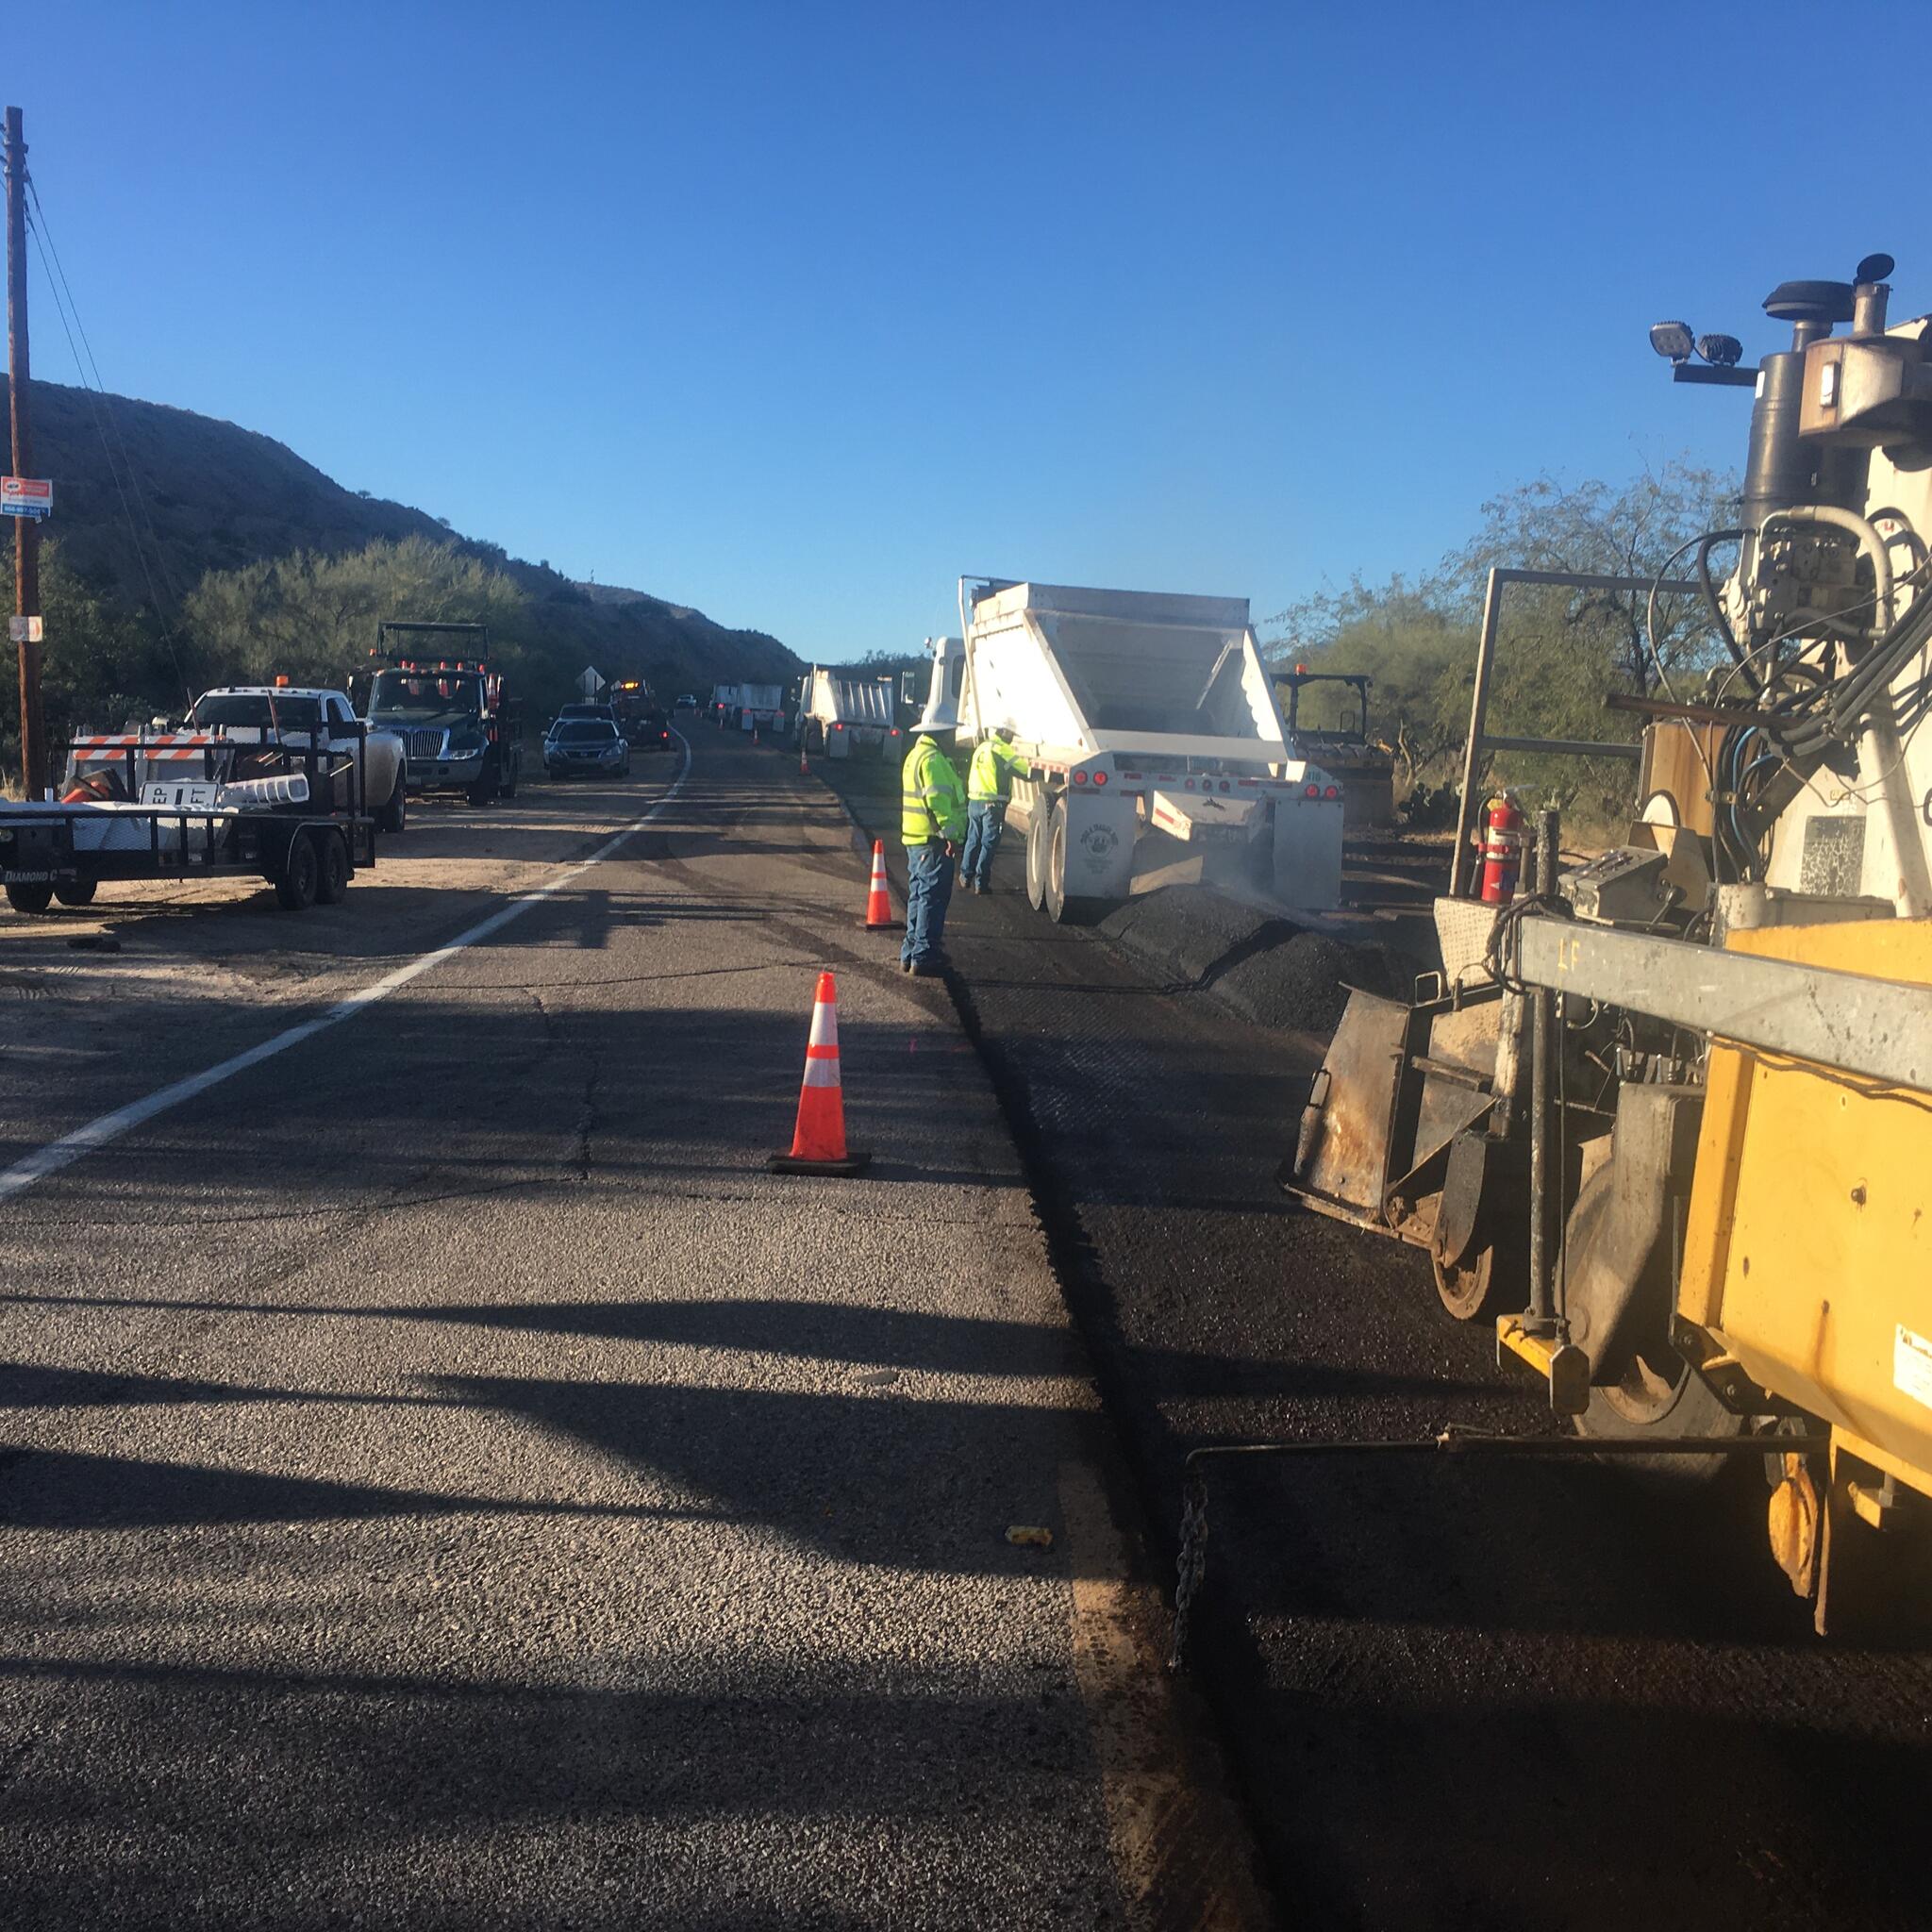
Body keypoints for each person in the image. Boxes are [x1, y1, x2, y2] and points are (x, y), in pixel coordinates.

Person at [899, 708, 967, 975]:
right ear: (941, 733)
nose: (954, 737)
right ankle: (925, 955)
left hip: (917, 839)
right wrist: (950, 836)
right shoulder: (934, 760)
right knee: (932, 897)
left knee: (919, 895)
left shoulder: (916, 755)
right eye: (951, 732)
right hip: (932, 841)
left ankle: (911, 951)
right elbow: (937, 804)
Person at [960, 726, 1031, 893]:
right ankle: (981, 882)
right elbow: (1024, 771)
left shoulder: (982, 748)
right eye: (1012, 735)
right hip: (991, 805)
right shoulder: (1001, 749)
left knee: (972, 839)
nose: (1012, 738)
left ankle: (965, 875)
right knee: (988, 843)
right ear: (1004, 733)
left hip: (974, 801)